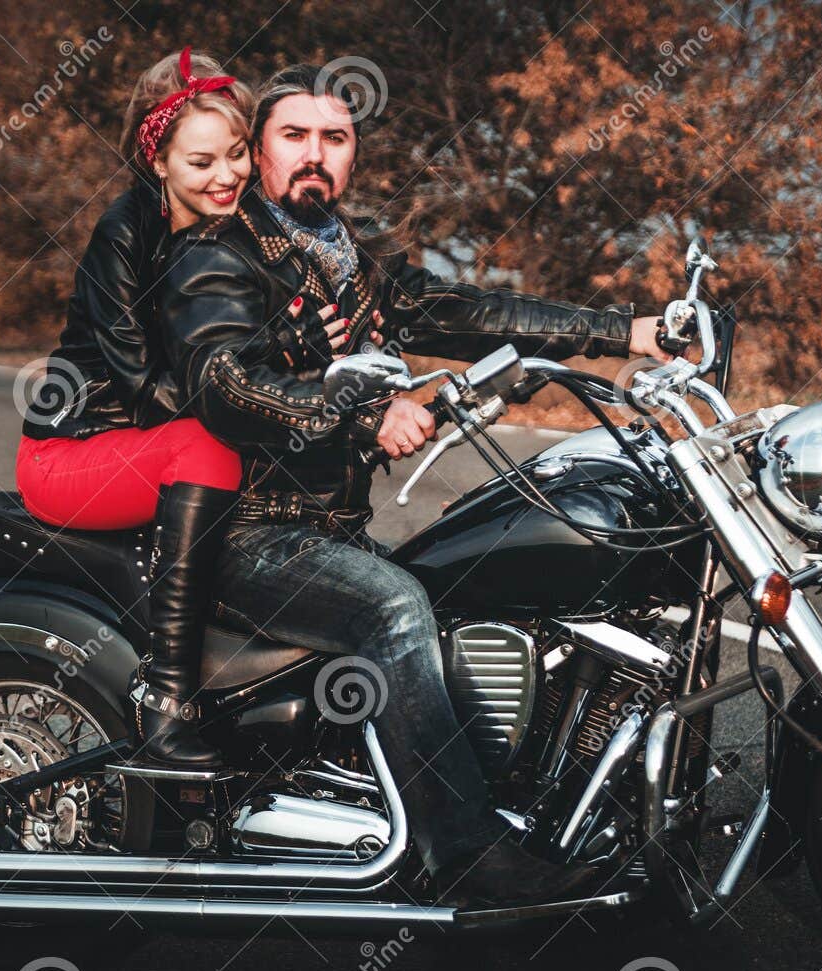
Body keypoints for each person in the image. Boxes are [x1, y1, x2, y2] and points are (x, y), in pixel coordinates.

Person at [156, 64, 679, 903]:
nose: (315, 156)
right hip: (252, 534)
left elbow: (463, 312)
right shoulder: (217, 255)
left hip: (325, 529)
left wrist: (628, 333)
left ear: (353, 153)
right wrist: (363, 416)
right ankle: (468, 857)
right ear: (256, 153)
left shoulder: (350, 260)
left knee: (465, 580)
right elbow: (224, 386)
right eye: (294, 137)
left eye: (335, 138)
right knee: (398, 606)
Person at [16, 50, 352, 766]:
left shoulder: (226, 233)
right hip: (71, 452)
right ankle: (167, 707)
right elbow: (153, 389)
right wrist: (274, 368)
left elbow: (238, 351)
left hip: (138, 450)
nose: (226, 175)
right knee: (210, 443)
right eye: (201, 163)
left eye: (236, 154)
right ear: (158, 162)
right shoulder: (126, 232)